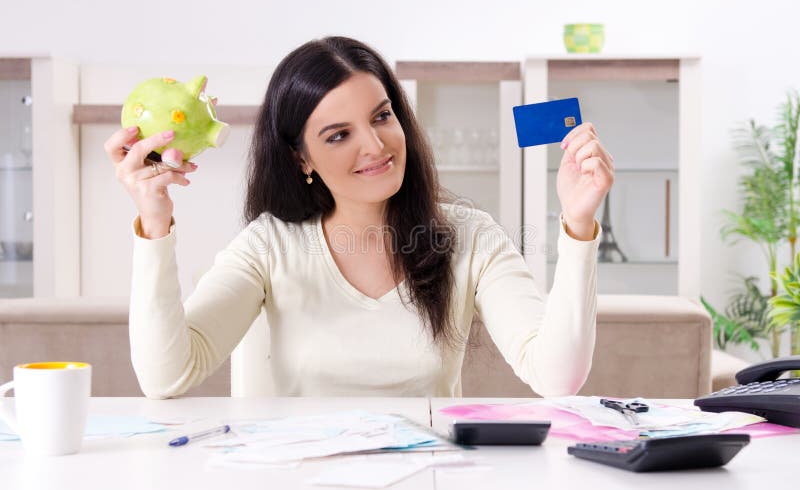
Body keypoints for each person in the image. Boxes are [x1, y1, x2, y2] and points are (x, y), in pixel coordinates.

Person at [104, 36, 614, 400]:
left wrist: (578, 223)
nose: (375, 146)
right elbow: (167, 376)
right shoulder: (269, 245)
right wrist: (154, 222)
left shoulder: (469, 236)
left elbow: (557, 377)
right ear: (301, 158)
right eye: (338, 135)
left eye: (381, 116)